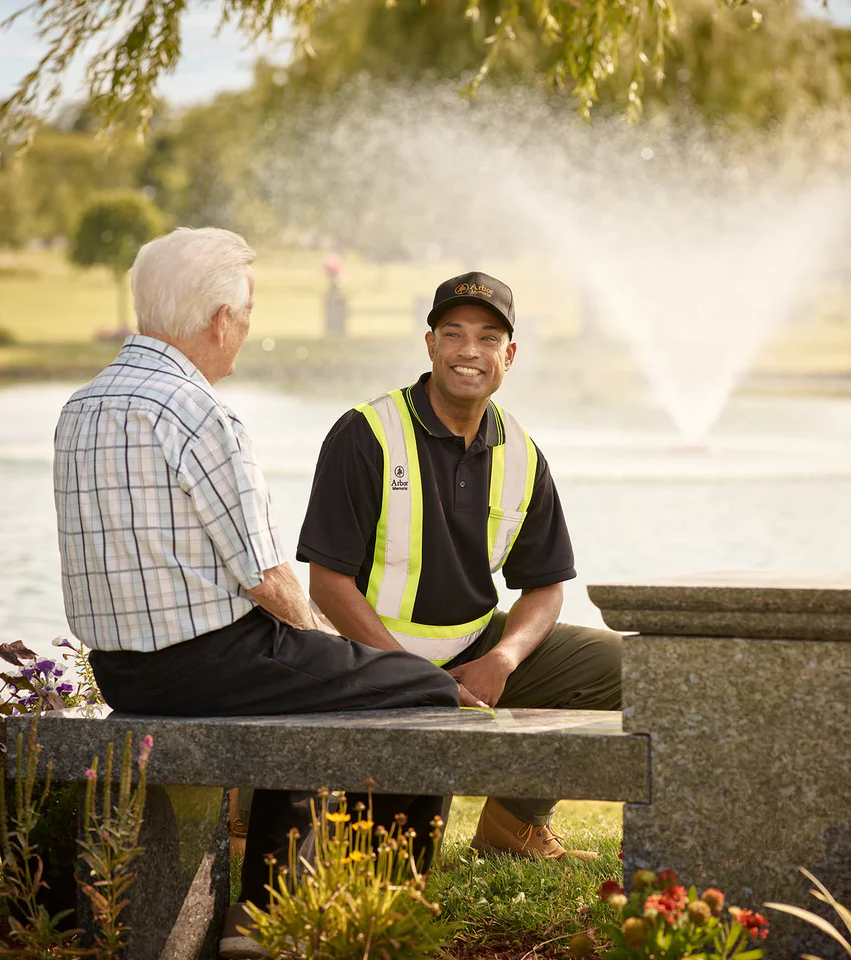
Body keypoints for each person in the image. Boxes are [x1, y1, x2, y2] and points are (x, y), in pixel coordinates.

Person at [52, 227, 459, 960]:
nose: (247, 327)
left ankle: (269, 908)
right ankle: (370, 914)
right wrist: (320, 644)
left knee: (317, 687)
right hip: (212, 662)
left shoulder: (81, 406)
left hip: (122, 669)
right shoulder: (197, 411)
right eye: (246, 311)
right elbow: (268, 577)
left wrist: (316, 663)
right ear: (216, 319)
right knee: (424, 692)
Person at [298, 271, 623, 862]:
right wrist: (409, 675)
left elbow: (546, 586)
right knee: (394, 861)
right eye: (453, 333)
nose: (469, 351)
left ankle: (514, 824)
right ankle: (270, 813)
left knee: (624, 666)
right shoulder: (365, 434)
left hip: (475, 650)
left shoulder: (523, 453)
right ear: (430, 344)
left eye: (488, 338)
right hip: (367, 658)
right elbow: (328, 584)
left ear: (510, 354)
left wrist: (501, 659)